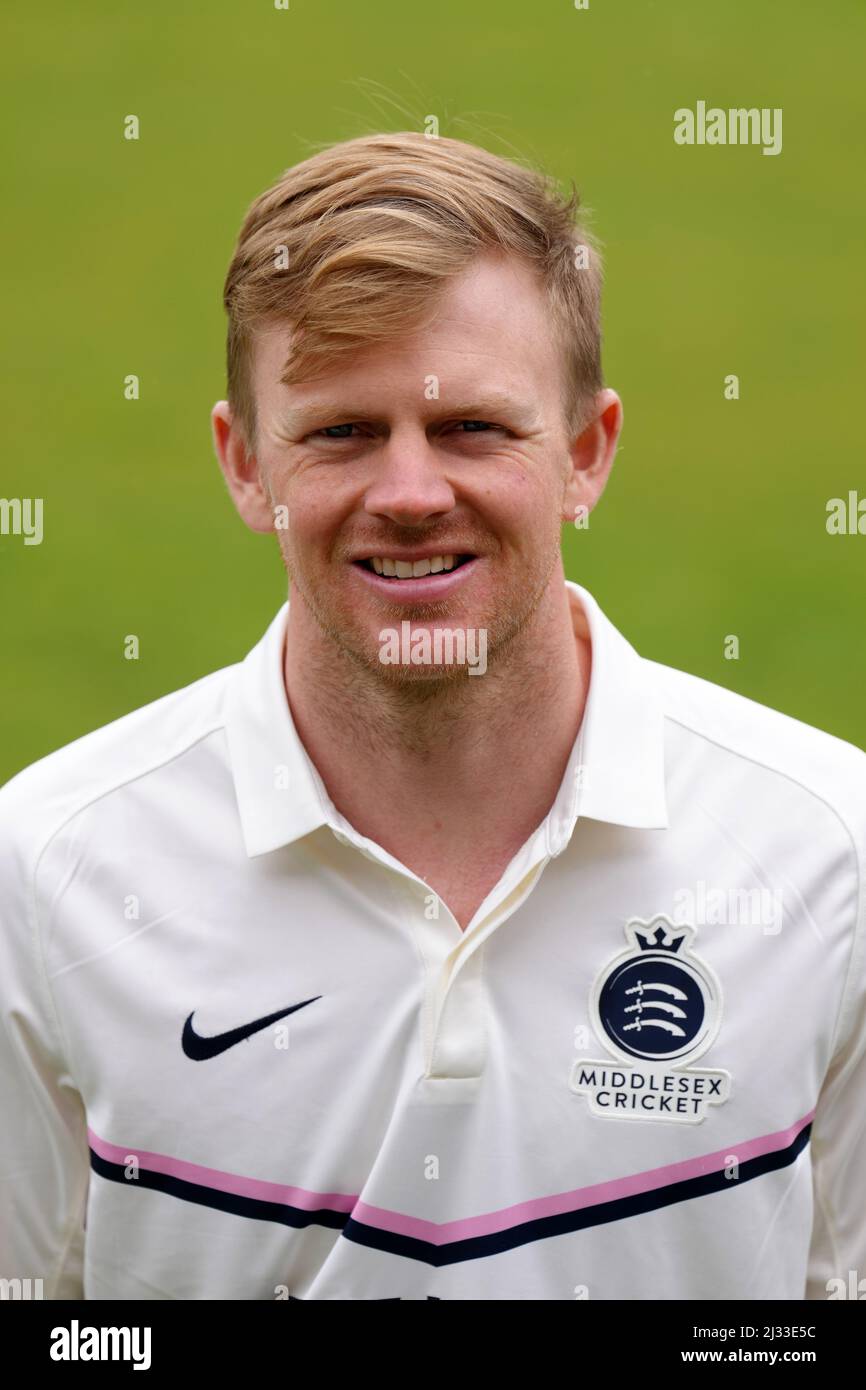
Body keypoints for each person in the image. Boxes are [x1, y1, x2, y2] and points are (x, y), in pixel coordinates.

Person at [1, 132, 864, 1301]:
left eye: (471, 428)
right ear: (247, 465)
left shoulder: (830, 853)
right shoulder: (47, 869)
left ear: (585, 453)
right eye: (341, 432)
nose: (409, 495)